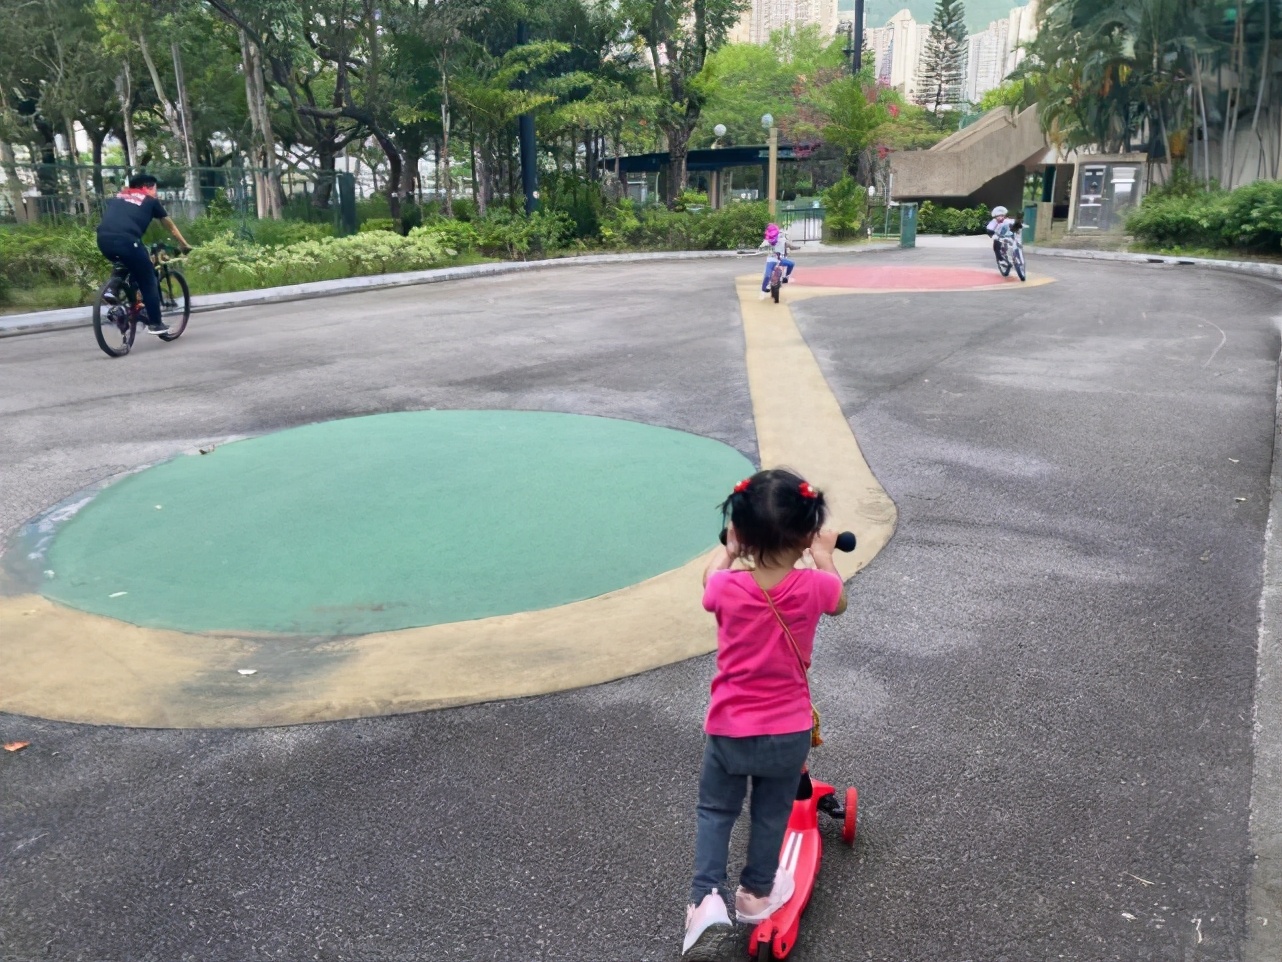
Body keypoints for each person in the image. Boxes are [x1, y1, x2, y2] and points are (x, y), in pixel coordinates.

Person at [682, 468, 848, 959]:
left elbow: (707, 583)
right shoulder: (815, 587)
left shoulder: (728, 588)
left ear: (743, 532)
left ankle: (705, 897)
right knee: (771, 812)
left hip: (729, 729)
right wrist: (822, 555)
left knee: (716, 811)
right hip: (787, 731)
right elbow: (839, 600)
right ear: (804, 533)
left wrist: (728, 550)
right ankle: (755, 895)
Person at [96, 174, 192, 334]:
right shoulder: (150, 201)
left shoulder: (119, 197)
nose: (156, 193)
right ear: (147, 187)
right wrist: (184, 244)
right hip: (127, 241)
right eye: (155, 188)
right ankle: (155, 323)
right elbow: (170, 226)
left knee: (126, 263)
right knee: (148, 278)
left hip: (103, 240)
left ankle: (113, 290)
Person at [759, 223, 795, 299]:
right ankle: (763, 290)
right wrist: (764, 248)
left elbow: (787, 244)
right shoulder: (767, 240)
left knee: (791, 264)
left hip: (780, 259)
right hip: (771, 260)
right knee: (767, 275)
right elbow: (761, 248)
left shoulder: (781, 237)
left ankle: (786, 277)